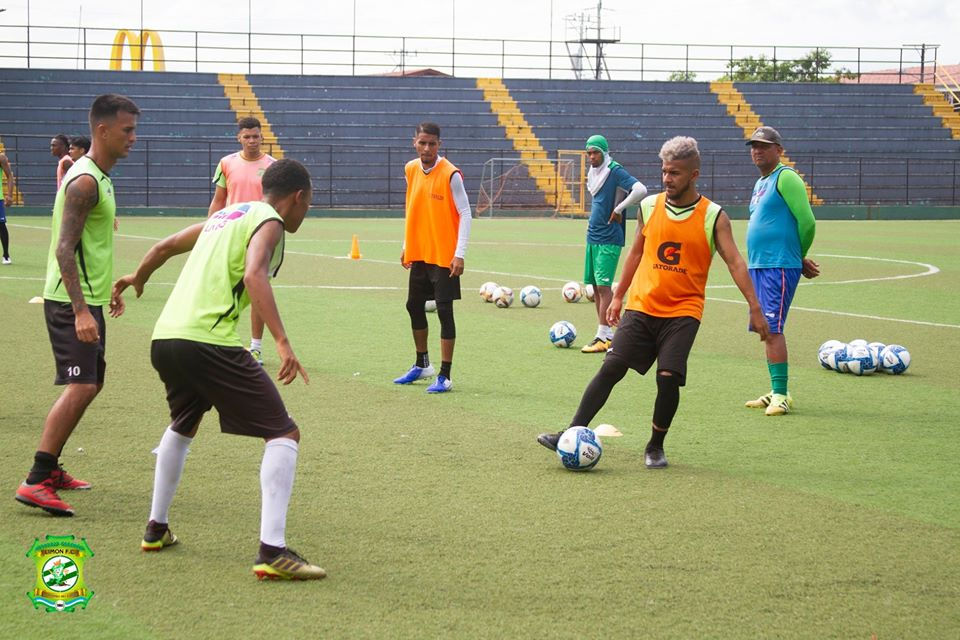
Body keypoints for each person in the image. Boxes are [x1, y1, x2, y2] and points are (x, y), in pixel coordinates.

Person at [111, 158, 325, 581]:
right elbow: (253, 275)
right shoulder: (270, 221)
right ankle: (273, 551)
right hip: (209, 340)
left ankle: (156, 528)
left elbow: (165, 246)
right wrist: (282, 342)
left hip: (167, 337)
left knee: (184, 420)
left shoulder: (225, 215)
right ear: (298, 197)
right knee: (284, 433)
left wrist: (138, 276)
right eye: (308, 203)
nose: (306, 211)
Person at [537, 137, 769, 468]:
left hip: (684, 311)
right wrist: (618, 295)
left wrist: (754, 306)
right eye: (664, 171)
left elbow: (735, 263)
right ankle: (570, 431)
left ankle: (655, 446)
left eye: (674, 173)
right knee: (611, 367)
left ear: (694, 174)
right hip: (643, 305)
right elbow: (636, 252)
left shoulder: (714, 216)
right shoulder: (648, 207)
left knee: (668, 377)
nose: (666, 179)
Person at [14, 94, 140, 516]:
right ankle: (36, 478)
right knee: (82, 384)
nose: (133, 139)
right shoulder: (85, 181)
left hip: (88, 298)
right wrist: (83, 310)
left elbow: (92, 247)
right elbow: (65, 250)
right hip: (70, 302)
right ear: (102, 131)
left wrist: (107, 294)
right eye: (127, 130)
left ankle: (50, 468)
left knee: (92, 382)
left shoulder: (101, 177)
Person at [742, 126, 819, 416]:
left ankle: (781, 395)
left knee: (773, 329)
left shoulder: (786, 178)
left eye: (763, 145)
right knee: (766, 329)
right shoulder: (761, 182)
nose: (757, 150)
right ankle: (776, 389)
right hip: (760, 265)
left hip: (778, 265)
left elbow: (807, 222)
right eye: (753, 146)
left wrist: (798, 257)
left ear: (779, 150)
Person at [393, 122, 472, 394]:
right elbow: (415, 208)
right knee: (413, 306)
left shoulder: (451, 174)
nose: (427, 148)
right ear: (414, 141)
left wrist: (459, 254)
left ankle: (445, 375)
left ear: (439, 145)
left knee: (444, 312)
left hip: (444, 256)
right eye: (422, 143)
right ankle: (422, 364)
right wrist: (406, 244)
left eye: (432, 144)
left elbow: (466, 213)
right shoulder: (410, 169)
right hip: (419, 253)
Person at [208, 116, 277, 365]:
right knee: (223, 286)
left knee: (257, 287)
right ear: (239, 138)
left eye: (256, 136)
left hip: (260, 233)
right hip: (231, 231)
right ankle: (220, 340)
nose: (251, 141)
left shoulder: (272, 165)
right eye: (247, 137)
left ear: (262, 137)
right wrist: (210, 227)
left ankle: (255, 348)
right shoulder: (226, 163)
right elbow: (219, 199)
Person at [580, 135, 647, 353]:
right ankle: (605, 335)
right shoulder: (594, 173)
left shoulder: (615, 170)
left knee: (603, 286)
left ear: (604, 152)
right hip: (594, 235)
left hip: (609, 236)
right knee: (596, 287)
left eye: (595, 152)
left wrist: (619, 209)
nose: (592, 157)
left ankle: (603, 336)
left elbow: (640, 190)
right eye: (589, 153)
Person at [1, 149, 13, 264]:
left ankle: (6, 255)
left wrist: (9, 195)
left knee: (1, 226)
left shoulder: (1, 157)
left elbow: (9, 176)